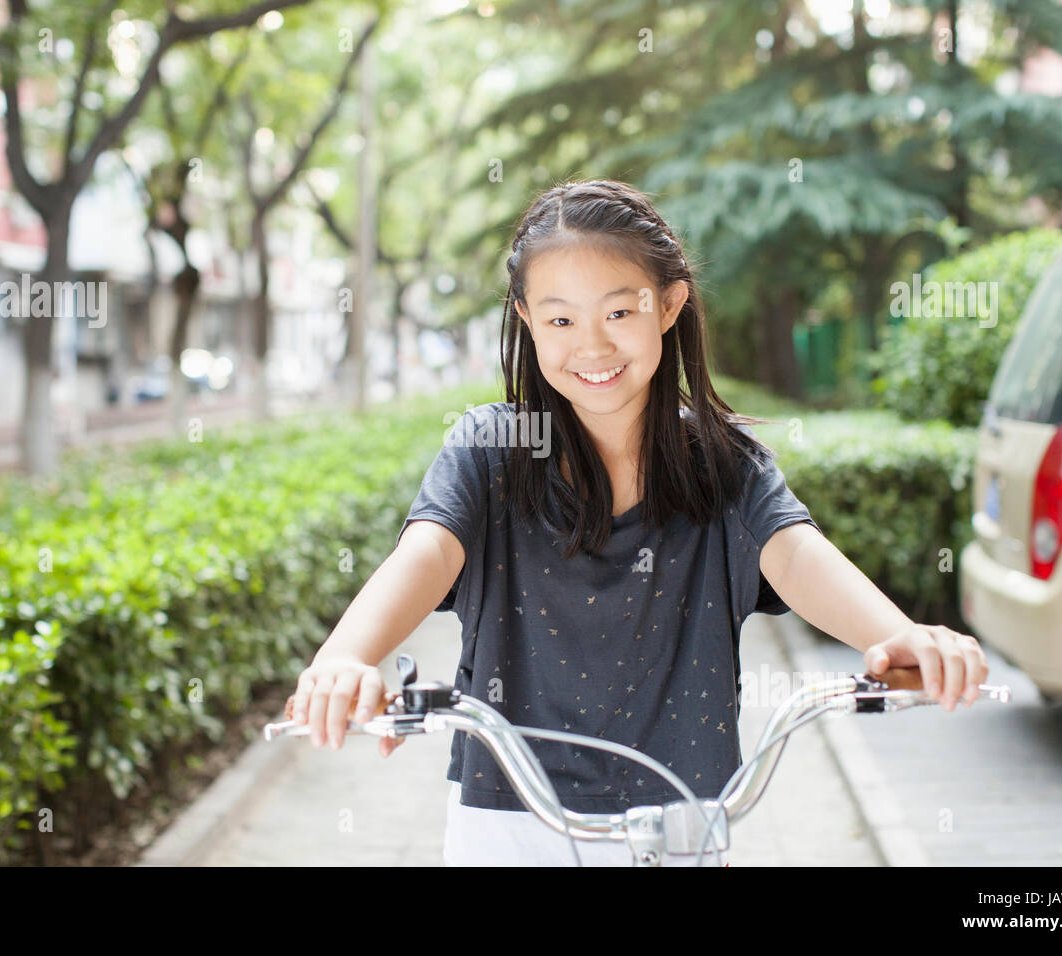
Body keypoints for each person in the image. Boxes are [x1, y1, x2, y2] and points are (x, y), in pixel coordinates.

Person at [288, 179, 989, 866]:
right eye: (560, 320)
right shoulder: (489, 449)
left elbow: (796, 555)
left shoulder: (728, 466)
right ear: (527, 320)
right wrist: (344, 658)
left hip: (679, 820)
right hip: (505, 821)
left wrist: (901, 639)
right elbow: (427, 553)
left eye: (619, 313)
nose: (591, 347)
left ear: (670, 304)